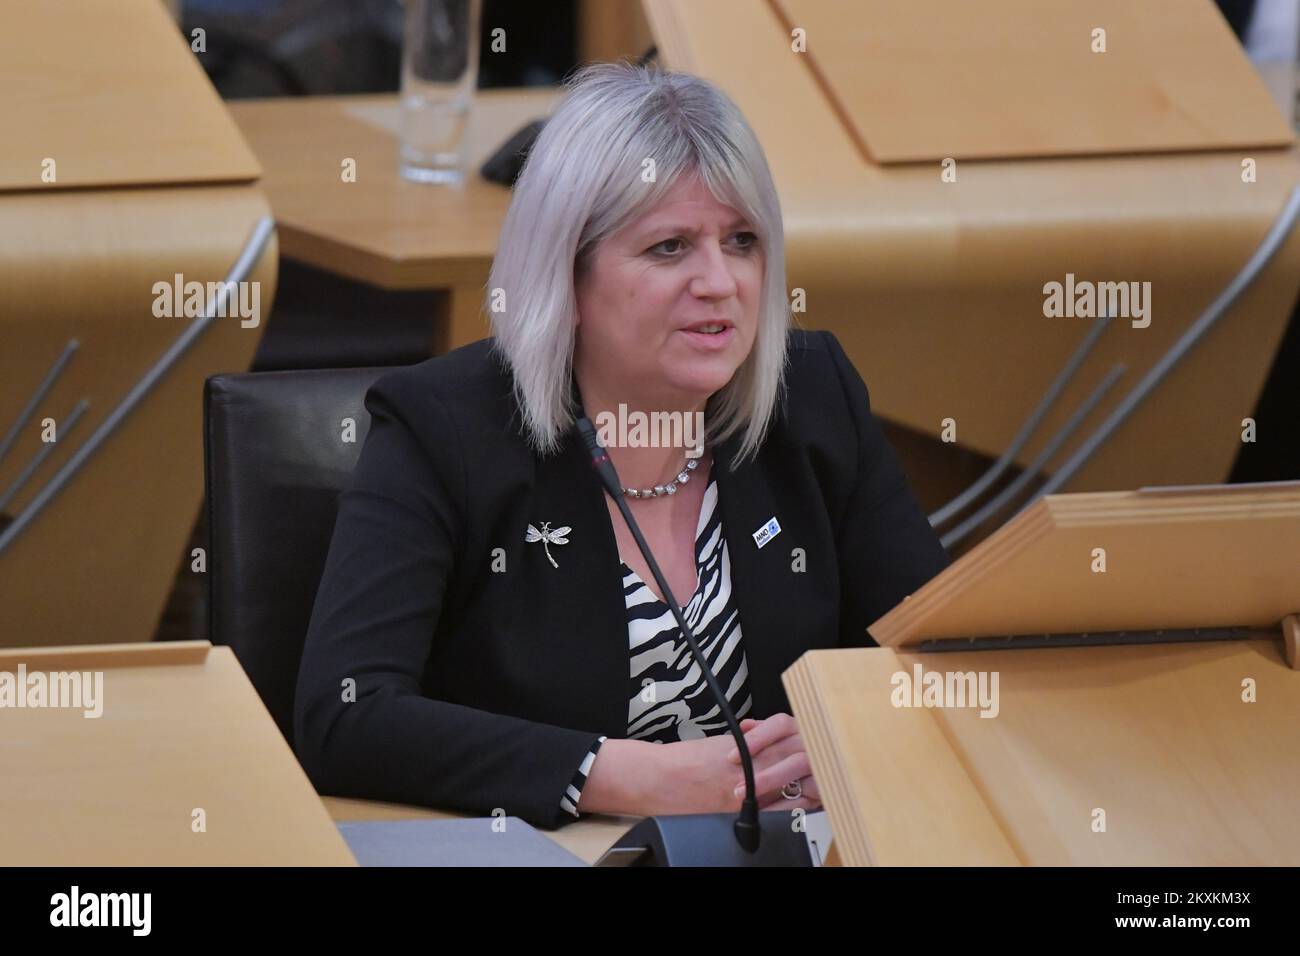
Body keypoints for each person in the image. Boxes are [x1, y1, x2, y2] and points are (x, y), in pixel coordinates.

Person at [293, 61, 950, 830]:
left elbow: (930, 662)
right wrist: (627, 776)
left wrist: (842, 738)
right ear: (565, 277)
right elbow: (346, 717)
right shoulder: (444, 429)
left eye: (741, 241)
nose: (719, 281)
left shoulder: (813, 399)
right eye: (669, 248)